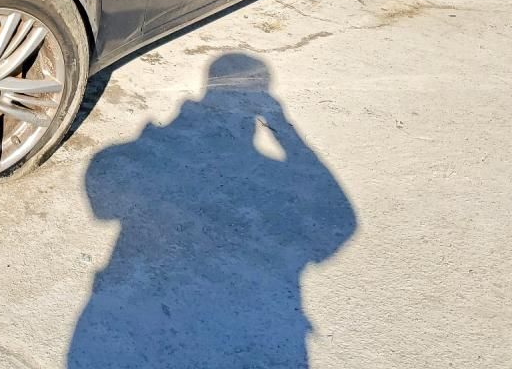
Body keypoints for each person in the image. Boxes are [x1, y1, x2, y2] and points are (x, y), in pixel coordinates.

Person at [69, 53, 356, 368]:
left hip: (119, 318)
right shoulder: (266, 175)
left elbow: (103, 208)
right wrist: (287, 133)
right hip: (250, 322)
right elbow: (340, 222)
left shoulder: (140, 159)